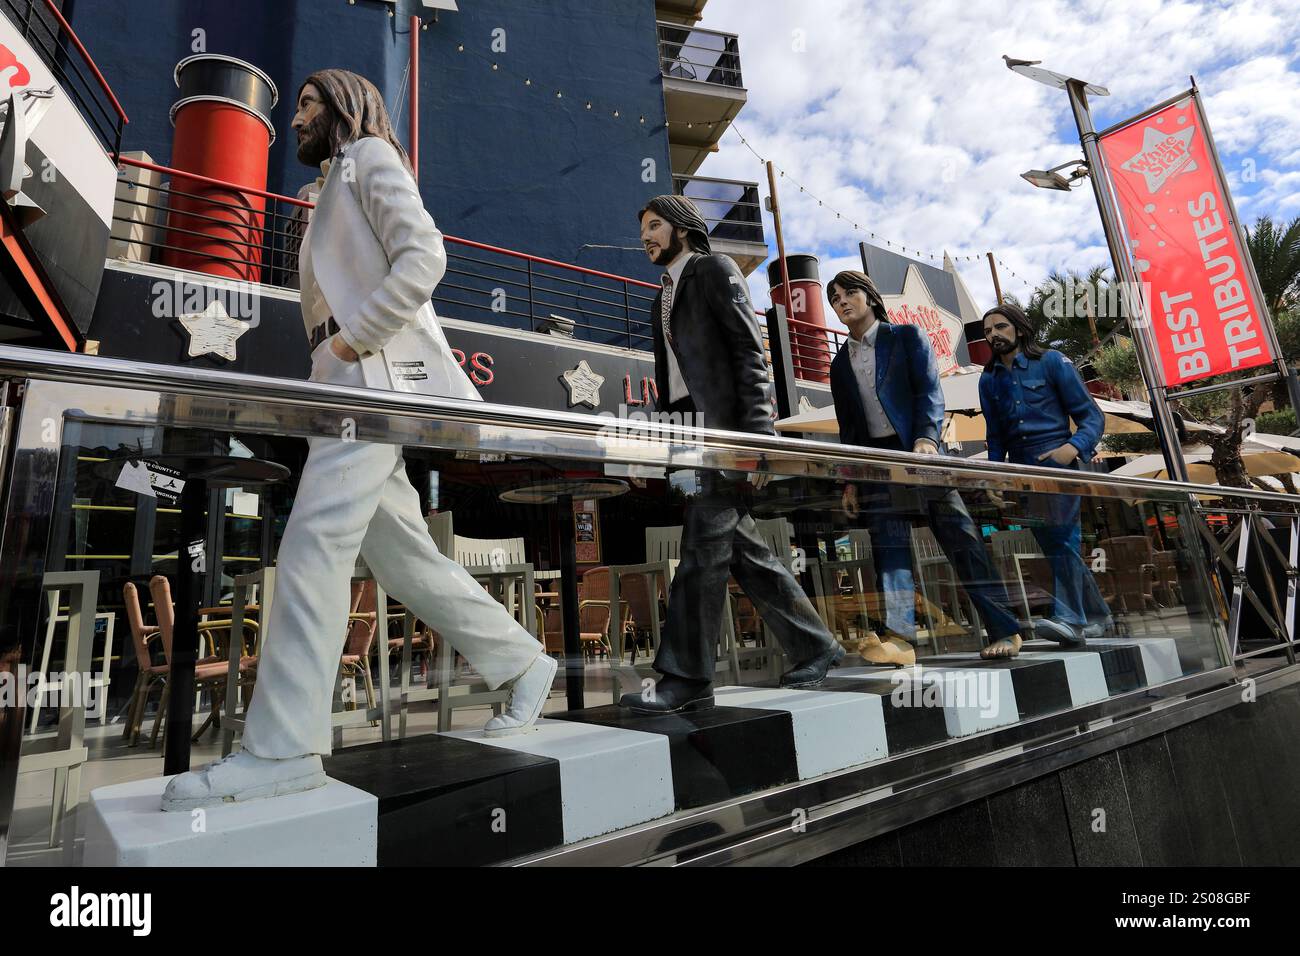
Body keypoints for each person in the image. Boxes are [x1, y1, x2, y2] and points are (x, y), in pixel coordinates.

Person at [161, 70, 555, 811]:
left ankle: (280, 748)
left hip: (370, 377)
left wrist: (349, 344)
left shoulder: (371, 158)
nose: (299, 117)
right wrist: (331, 357)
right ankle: (525, 662)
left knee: (313, 545)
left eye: (307, 104)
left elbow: (425, 257)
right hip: (342, 377)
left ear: (340, 106)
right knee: (404, 560)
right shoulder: (330, 186)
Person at [616, 196, 842, 714]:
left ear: (684, 228)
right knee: (742, 550)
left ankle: (686, 677)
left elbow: (749, 354)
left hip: (726, 436)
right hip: (690, 435)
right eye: (644, 228)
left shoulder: (714, 270)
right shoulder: (663, 296)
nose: (646, 237)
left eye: (655, 226)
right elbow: (673, 383)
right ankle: (815, 644)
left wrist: (758, 439)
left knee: (703, 548)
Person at [828, 271, 1028, 662]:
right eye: (834, 298)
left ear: (869, 296)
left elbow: (929, 391)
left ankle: (1006, 628)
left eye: (849, 292)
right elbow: (848, 427)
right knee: (889, 547)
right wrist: (849, 480)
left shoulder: (906, 337)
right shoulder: (838, 364)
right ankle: (900, 640)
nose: (842, 302)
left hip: (920, 454)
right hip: (877, 462)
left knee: (962, 540)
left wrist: (926, 439)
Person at [978, 303, 1112, 644]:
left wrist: (1071, 448)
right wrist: (996, 477)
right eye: (988, 330)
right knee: (1054, 544)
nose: (993, 334)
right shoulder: (988, 379)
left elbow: (1092, 417)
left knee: (1062, 539)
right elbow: (995, 436)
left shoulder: (1052, 361)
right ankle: (1098, 616)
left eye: (1000, 327)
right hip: (1023, 472)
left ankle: (1068, 619)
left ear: (1020, 329)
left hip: (1059, 464)